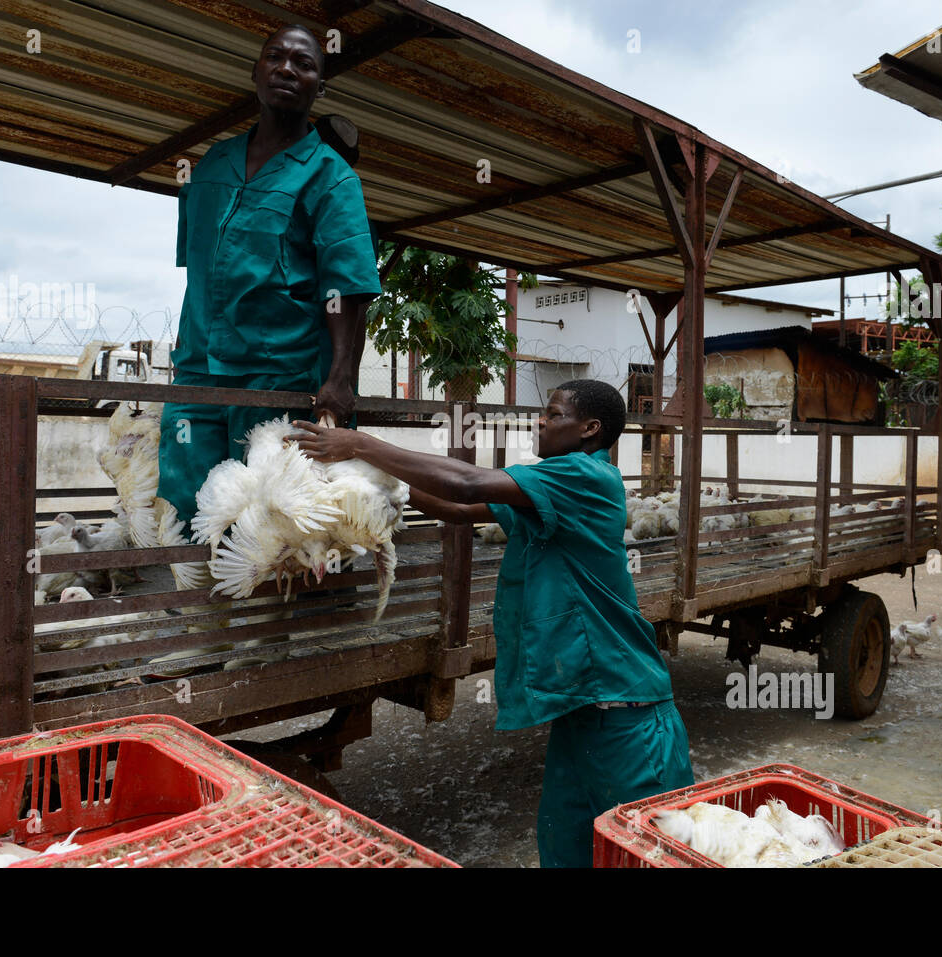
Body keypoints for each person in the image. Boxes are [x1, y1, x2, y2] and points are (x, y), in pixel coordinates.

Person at [290, 379, 694, 867]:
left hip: (628, 716)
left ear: (590, 429)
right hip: (582, 716)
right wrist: (371, 482)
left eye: (553, 414)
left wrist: (360, 444)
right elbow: (458, 507)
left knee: (646, 855)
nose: (539, 421)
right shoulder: (552, 486)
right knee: (567, 851)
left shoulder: (586, 476)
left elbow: (466, 482)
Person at [159, 24, 381, 530]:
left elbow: (346, 288)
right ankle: (197, 580)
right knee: (185, 500)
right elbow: (199, 271)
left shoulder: (332, 177)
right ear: (255, 72)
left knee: (270, 513)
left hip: (278, 377)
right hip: (197, 371)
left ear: (319, 88)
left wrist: (340, 379)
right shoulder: (211, 166)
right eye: (275, 57)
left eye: (304, 64)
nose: (286, 69)